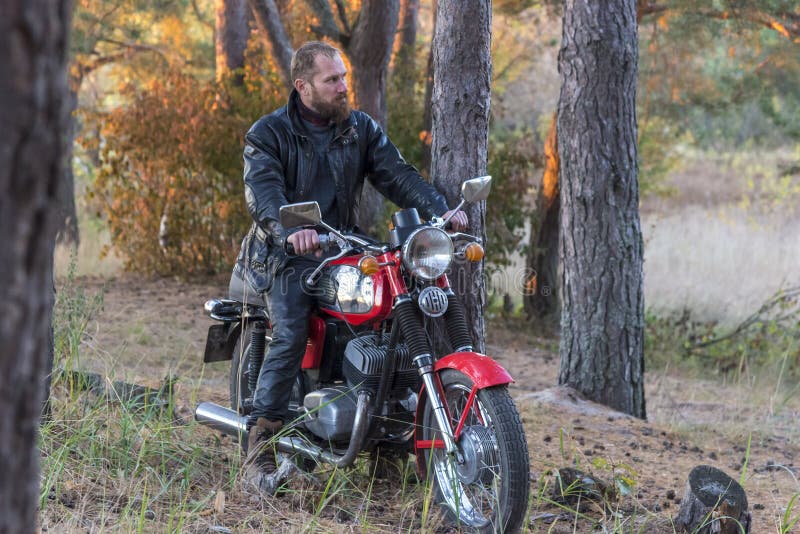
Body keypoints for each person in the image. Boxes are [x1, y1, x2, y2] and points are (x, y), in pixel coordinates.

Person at [236, 41, 467, 489]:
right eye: (332, 80)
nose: (343, 86)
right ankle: (260, 446)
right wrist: (290, 230)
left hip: (340, 246)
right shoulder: (268, 134)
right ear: (303, 86)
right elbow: (264, 195)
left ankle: (384, 438)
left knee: (392, 311)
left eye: (343, 77)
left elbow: (397, 176)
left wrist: (439, 209)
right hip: (282, 252)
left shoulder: (359, 128)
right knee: (291, 330)